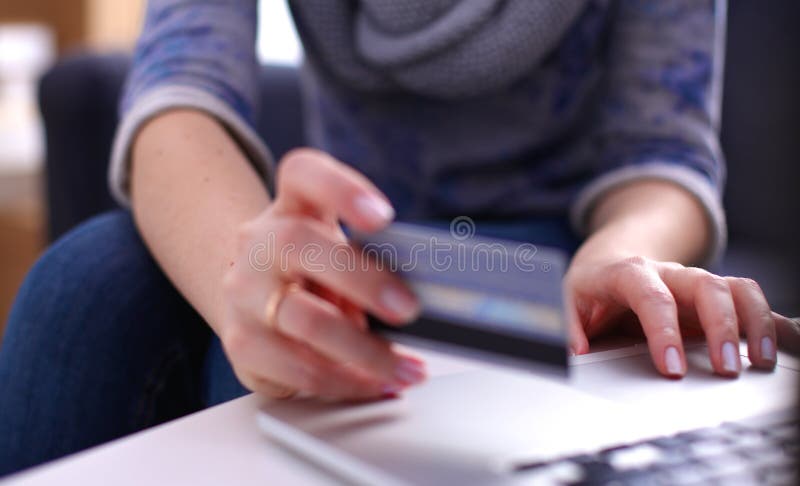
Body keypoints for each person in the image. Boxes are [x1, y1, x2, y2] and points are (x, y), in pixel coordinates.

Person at [0, 0, 793, 476]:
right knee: (80, 286)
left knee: (279, 386)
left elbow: (662, 152)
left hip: (568, 261)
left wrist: (621, 255)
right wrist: (250, 270)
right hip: (368, 244)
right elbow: (180, 89)